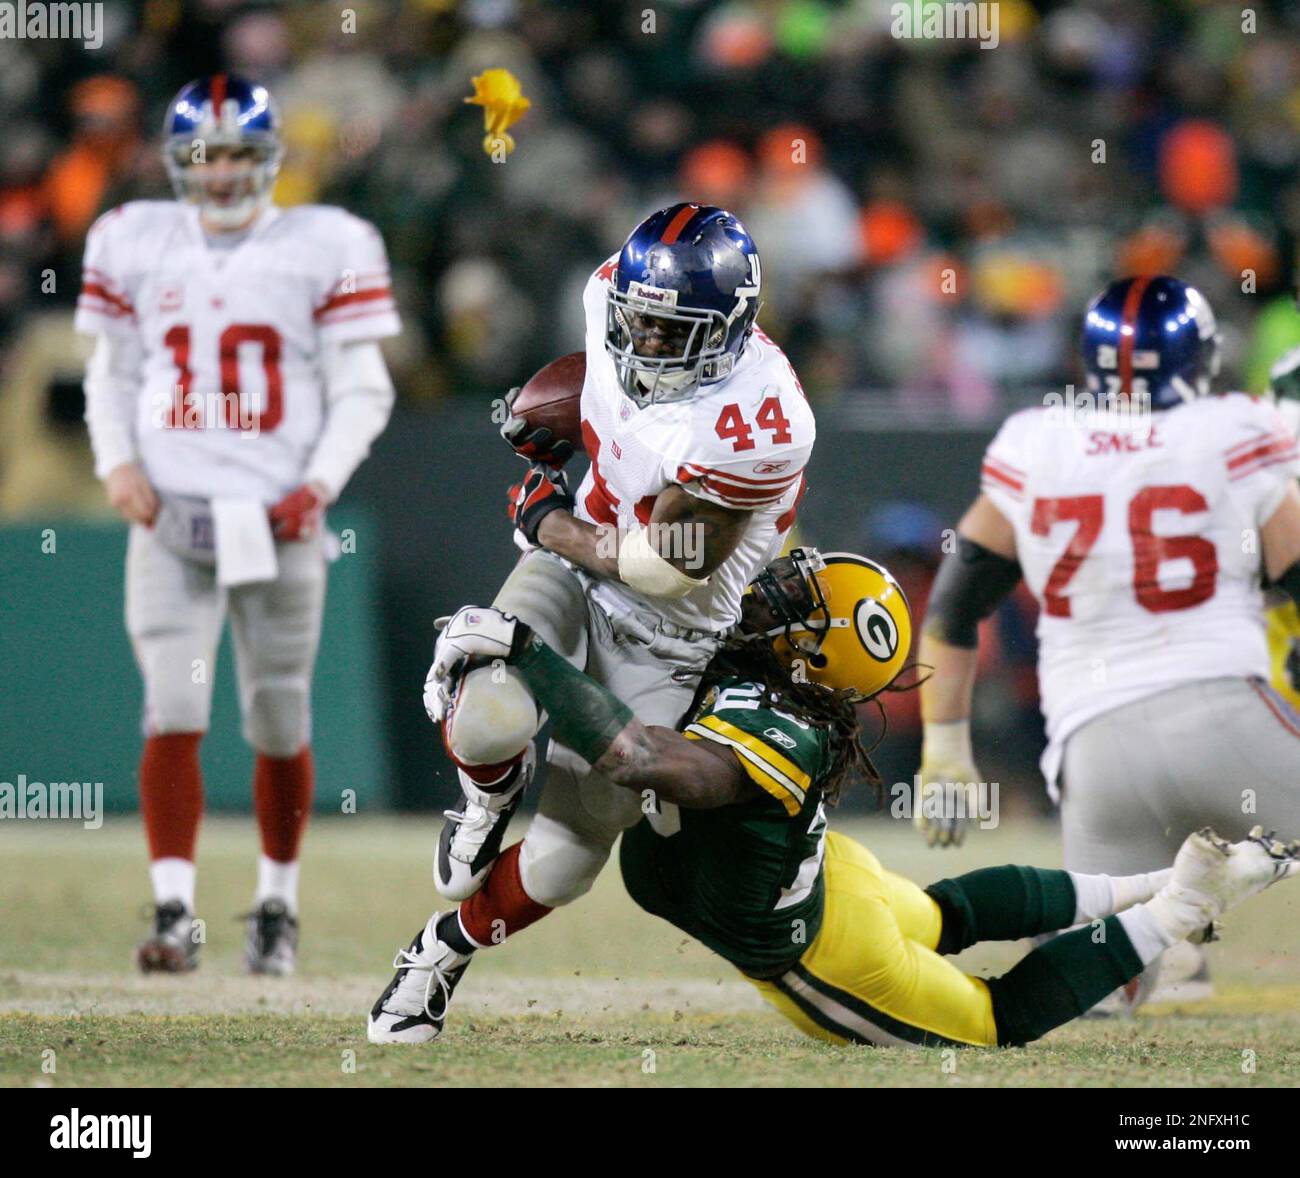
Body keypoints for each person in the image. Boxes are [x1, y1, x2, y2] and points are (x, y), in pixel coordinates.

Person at [368, 549, 1299, 1046]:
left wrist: (524, 655)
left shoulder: (782, 721)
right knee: (946, 912)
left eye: (798, 604)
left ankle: (1181, 904)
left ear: (812, 655)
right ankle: (1149, 881)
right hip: (830, 882)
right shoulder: (755, 667)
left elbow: (646, 760)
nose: (776, 592)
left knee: (996, 1018)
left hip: (816, 949)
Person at [411, 204, 812, 1005]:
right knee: (489, 717)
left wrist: (550, 520)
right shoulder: (606, 295)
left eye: (675, 330)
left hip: (667, 633)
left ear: (731, 328)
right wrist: (562, 426)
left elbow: (669, 568)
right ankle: (485, 796)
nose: (647, 343)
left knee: (568, 857)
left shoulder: (757, 423)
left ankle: (438, 952)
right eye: (642, 321)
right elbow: (602, 389)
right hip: (577, 577)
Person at [76, 75, 399, 974]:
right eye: (204, 155)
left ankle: (274, 905)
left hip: (277, 518)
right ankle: (174, 910)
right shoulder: (132, 238)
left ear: (271, 160)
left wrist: (320, 481)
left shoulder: (324, 243)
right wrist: (118, 465)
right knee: (172, 707)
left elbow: (363, 386)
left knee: (276, 718)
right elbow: (109, 372)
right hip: (171, 514)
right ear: (176, 162)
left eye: (239, 154)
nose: (221, 173)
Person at [916, 276, 1300, 1006]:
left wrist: (945, 748)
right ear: (1202, 358)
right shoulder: (1236, 429)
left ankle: (1157, 932)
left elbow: (953, 608)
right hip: (1223, 717)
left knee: (1106, 982)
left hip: (1094, 754)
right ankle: (1235, 871)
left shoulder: (1038, 440)